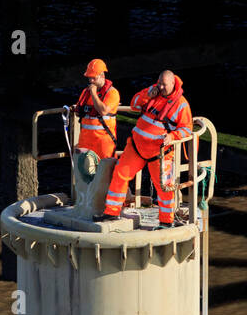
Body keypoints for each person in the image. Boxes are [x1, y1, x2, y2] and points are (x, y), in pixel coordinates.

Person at [102, 70, 192, 226]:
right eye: (159, 83)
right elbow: (134, 104)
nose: (161, 87)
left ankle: (166, 222)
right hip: (136, 147)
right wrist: (147, 94)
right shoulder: (152, 92)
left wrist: (172, 136)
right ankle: (111, 212)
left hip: (160, 153)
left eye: (164, 84)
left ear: (172, 83)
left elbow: (187, 129)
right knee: (120, 174)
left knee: (164, 188)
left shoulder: (182, 104)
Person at [74, 59, 120, 161]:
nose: (91, 81)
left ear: (102, 75)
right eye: (89, 78)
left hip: (104, 142)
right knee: (84, 174)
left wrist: (94, 93)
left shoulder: (112, 93)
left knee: (105, 173)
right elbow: (78, 112)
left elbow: (103, 111)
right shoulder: (85, 92)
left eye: (93, 78)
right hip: (85, 141)